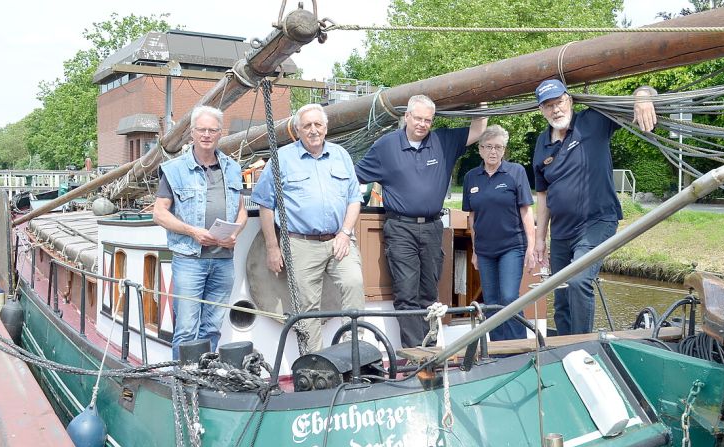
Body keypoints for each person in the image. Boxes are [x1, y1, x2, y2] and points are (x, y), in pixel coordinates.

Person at [355, 95, 487, 348]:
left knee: (428, 292)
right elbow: (354, 177)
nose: (422, 124)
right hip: (400, 227)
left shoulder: (443, 141)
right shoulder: (386, 147)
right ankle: (416, 353)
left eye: (428, 120)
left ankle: (430, 346)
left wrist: (481, 98)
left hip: (432, 227)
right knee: (406, 293)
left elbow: (478, 129)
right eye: (418, 118)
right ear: (407, 117)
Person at [531, 78, 656, 335]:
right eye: (548, 106)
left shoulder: (593, 121)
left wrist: (643, 95)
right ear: (541, 110)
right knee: (562, 292)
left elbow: (631, 102)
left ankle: (582, 344)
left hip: (596, 223)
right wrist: (540, 239)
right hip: (561, 231)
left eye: (559, 102)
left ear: (571, 100)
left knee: (578, 281)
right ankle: (564, 347)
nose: (556, 110)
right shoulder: (541, 144)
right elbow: (542, 195)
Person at [251, 104, 364, 353]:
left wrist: (345, 232)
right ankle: (316, 364)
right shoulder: (281, 158)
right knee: (307, 307)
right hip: (300, 244)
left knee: (353, 283)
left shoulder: (341, 155)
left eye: (318, 125)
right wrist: (272, 247)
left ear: (326, 128)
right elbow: (266, 206)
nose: (313, 130)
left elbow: (354, 199)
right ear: (298, 130)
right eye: (307, 126)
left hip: (338, 240)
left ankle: (354, 353)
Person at [153, 105, 247, 359]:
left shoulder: (233, 168)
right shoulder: (174, 170)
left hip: (223, 260)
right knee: (186, 328)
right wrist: (191, 231)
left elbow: (241, 211)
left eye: (212, 130)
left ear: (220, 134)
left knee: (212, 327)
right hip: (189, 259)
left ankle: (204, 377)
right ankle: (182, 384)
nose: (207, 135)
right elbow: (159, 213)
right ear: (192, 133)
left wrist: (235, 233)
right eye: (201, 130)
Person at [462, 124, 536, 341]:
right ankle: (495, 350)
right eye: (488, 147)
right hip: (485, 250)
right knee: (492, 301)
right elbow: (472, 216)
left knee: (509, 297)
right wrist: (475, 251)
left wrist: (531, 247)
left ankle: (517, 349)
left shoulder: (516, 172)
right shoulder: (471, 177)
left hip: (511, 246)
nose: (493, 152)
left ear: (504, 150)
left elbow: (526, 211)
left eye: (499, 147)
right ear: (480, 150)